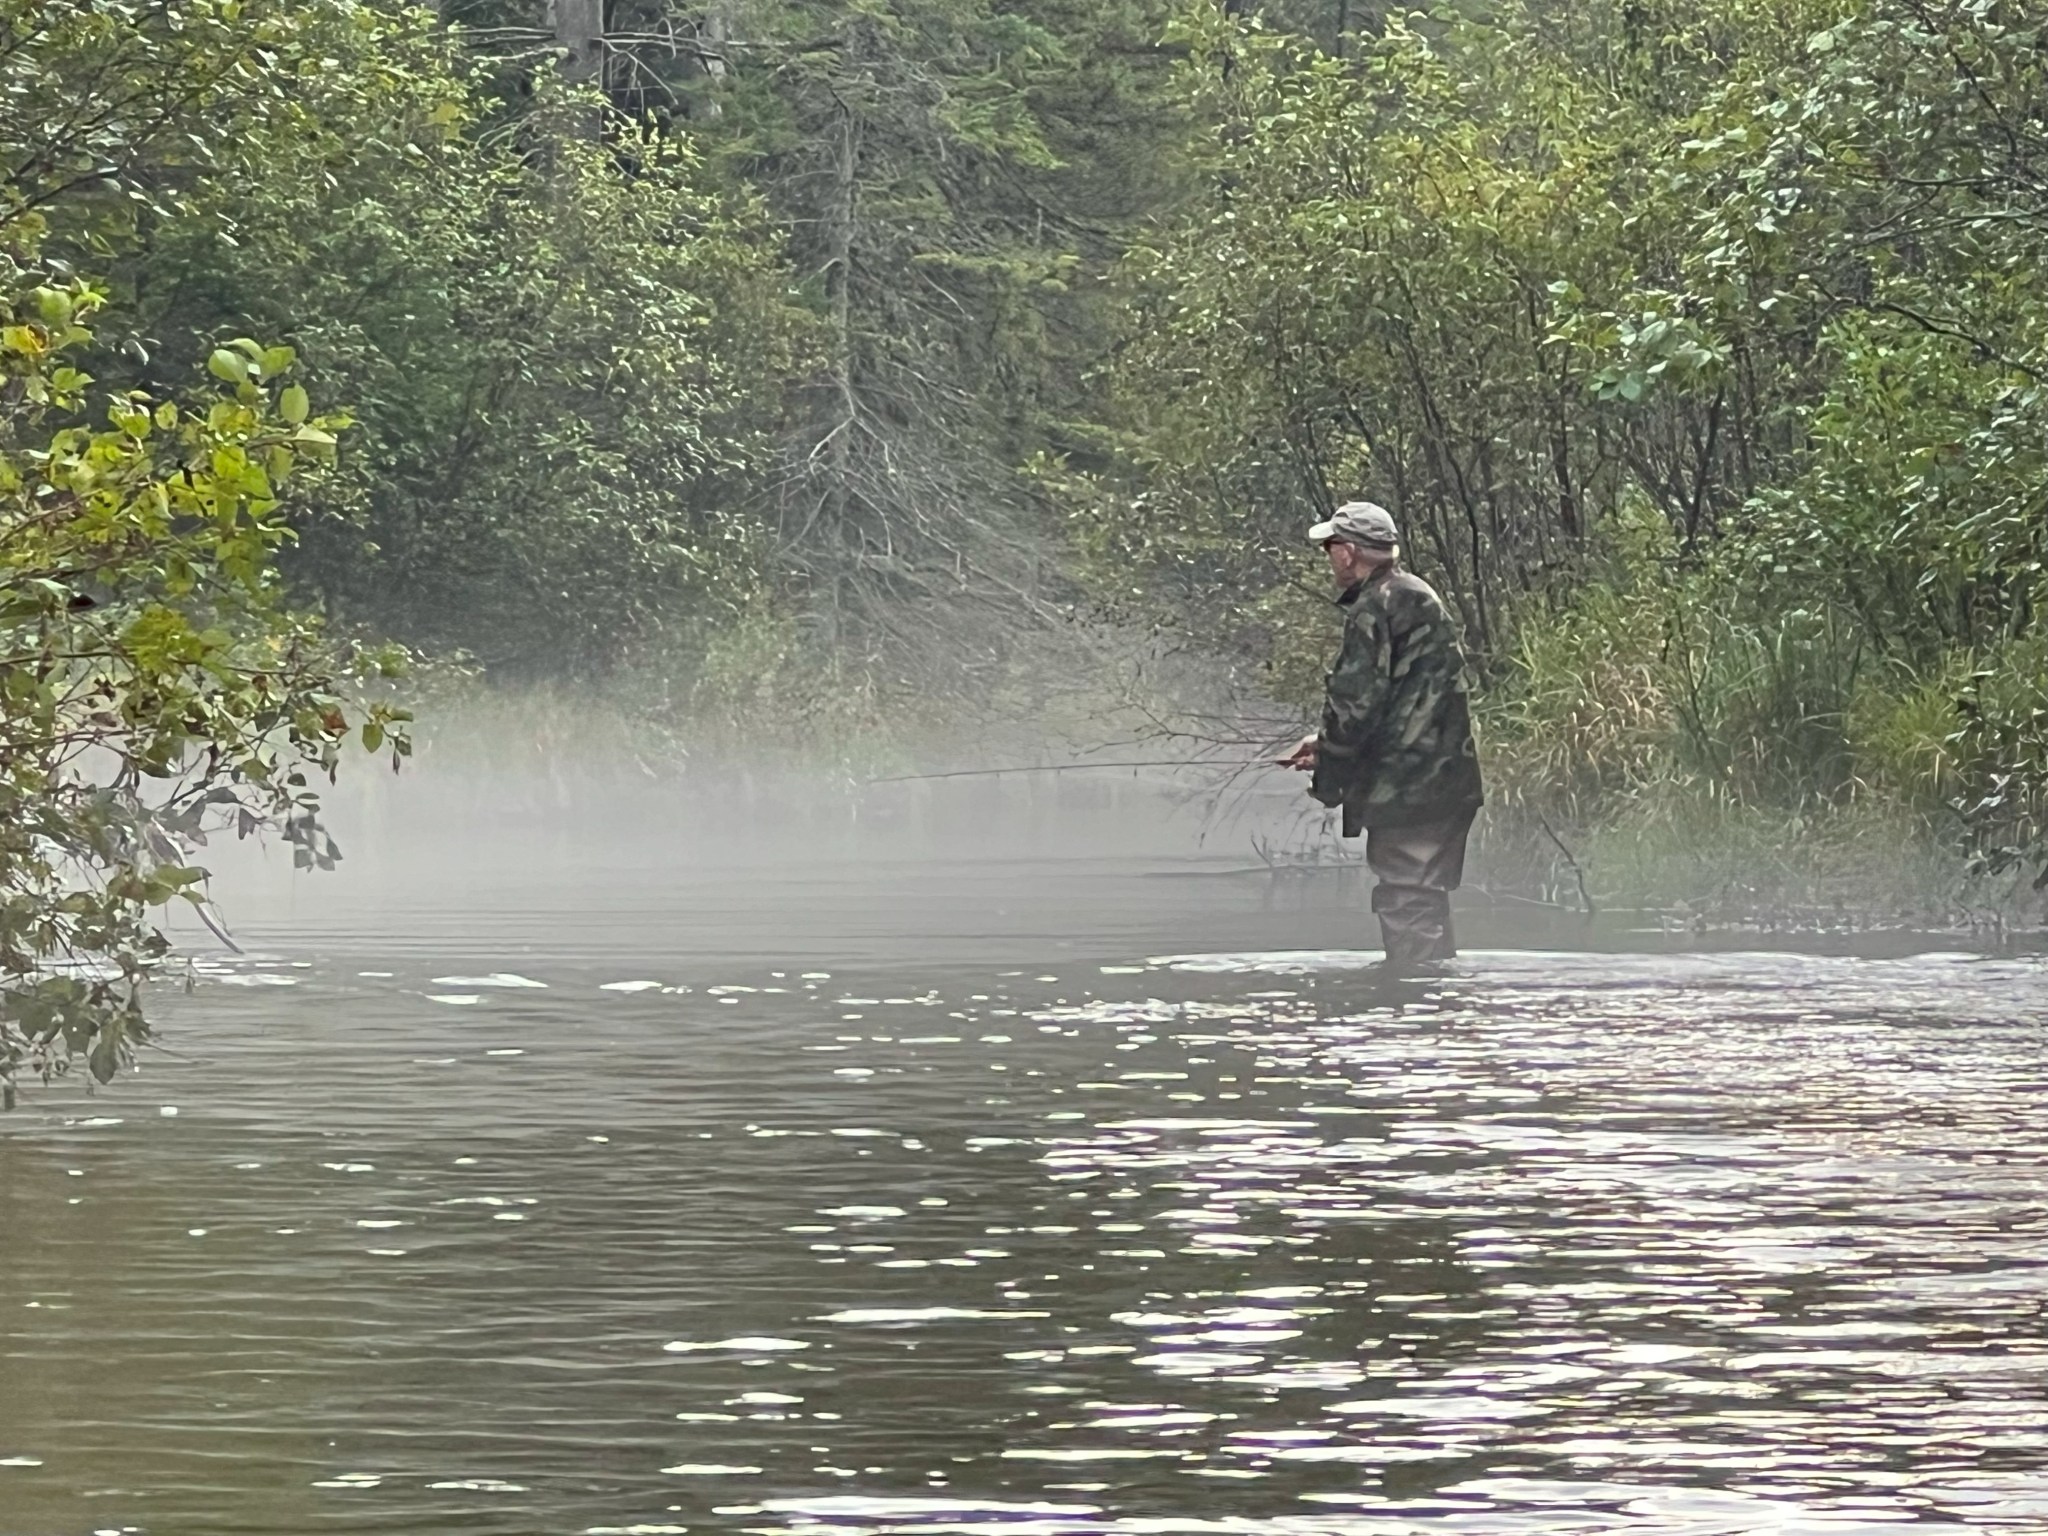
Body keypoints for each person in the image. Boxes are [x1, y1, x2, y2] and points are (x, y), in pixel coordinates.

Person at [1279, 501, 1483, 965]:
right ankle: (1436, 1007)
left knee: (1407, 899)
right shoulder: (1416, 594)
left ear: (1348, 552)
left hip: (1407, 788)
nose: (1329, 557)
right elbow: (1400, 703)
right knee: (1423, 897)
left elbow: (1356, 708)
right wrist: (1325, 747)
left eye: (1330, 547)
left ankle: (1411, 1011)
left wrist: (1329, 768)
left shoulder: (1375, 607)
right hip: (1447, 780)